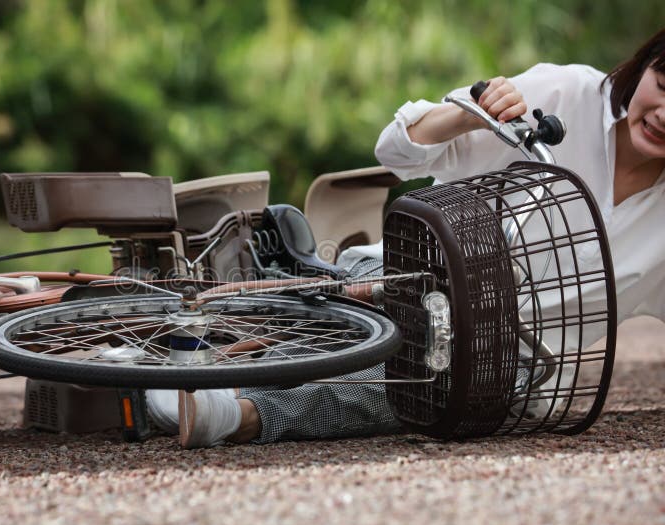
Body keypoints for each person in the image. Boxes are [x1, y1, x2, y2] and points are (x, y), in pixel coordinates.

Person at [148, 28, 665, 449]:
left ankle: (240, 415)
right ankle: (222, 373)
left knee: (423, 384)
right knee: (385, 317)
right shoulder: (567, 93)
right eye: (663, 86)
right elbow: (395, 150)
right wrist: (470, 112)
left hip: (509, 364)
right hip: (415, 276)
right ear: (644, 67)